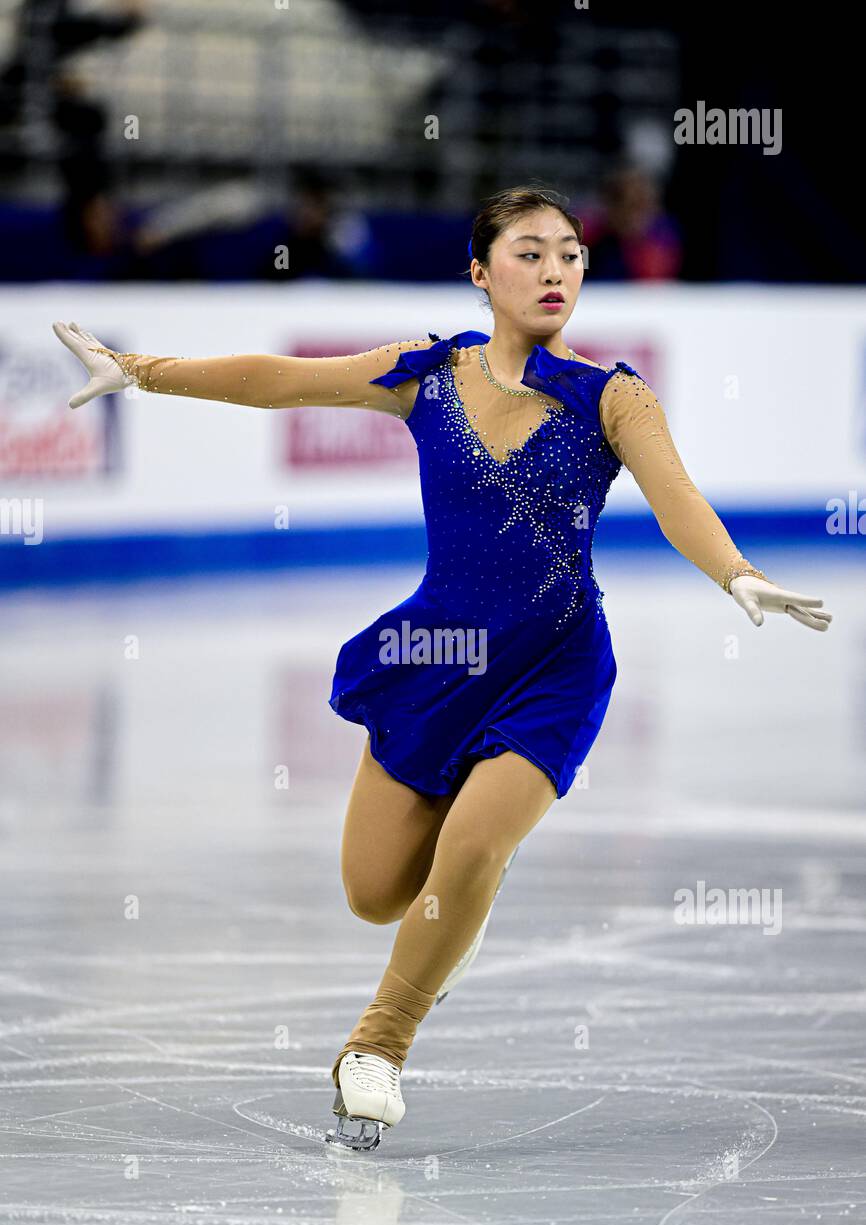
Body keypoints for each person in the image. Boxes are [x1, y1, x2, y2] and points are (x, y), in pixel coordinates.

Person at [52, 185, 832, 1152]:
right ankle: (444, 930)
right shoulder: (422, 374)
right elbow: (281, 378)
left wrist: (738, 576)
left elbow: (680, 503)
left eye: (571, 254)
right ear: (480, 273)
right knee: (376, 892)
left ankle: (378, 1045)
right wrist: (139, 368)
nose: (555, 272)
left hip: (553, 664)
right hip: (436, 656)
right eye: (531, 253)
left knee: (471, 849)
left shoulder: (612, 397)